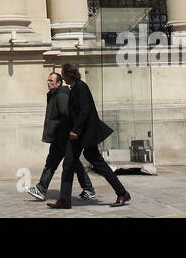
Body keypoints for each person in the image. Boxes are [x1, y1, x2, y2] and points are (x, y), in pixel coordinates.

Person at [48, 62, 131, 209]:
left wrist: (76, 130)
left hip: (84, 134)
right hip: (80, 134)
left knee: (97, 164)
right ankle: (65, 200)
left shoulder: (81, 87)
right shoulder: (75, 88)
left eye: (64, 74)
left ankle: (122, 192)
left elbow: (85, 111)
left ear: (68, 75)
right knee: (69, 164)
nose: (63, 77)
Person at [27, 70, 94, 201]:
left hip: (63, 136)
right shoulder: (54, 94)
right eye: (48, 80)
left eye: (51, 81)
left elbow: (66, 115)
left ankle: (88, 188)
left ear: (58, 83)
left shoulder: (61, 95)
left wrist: (65, 133)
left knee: (72, 163)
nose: (48, 82)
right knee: (52, 163)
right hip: (58, 137)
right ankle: (41, 189)